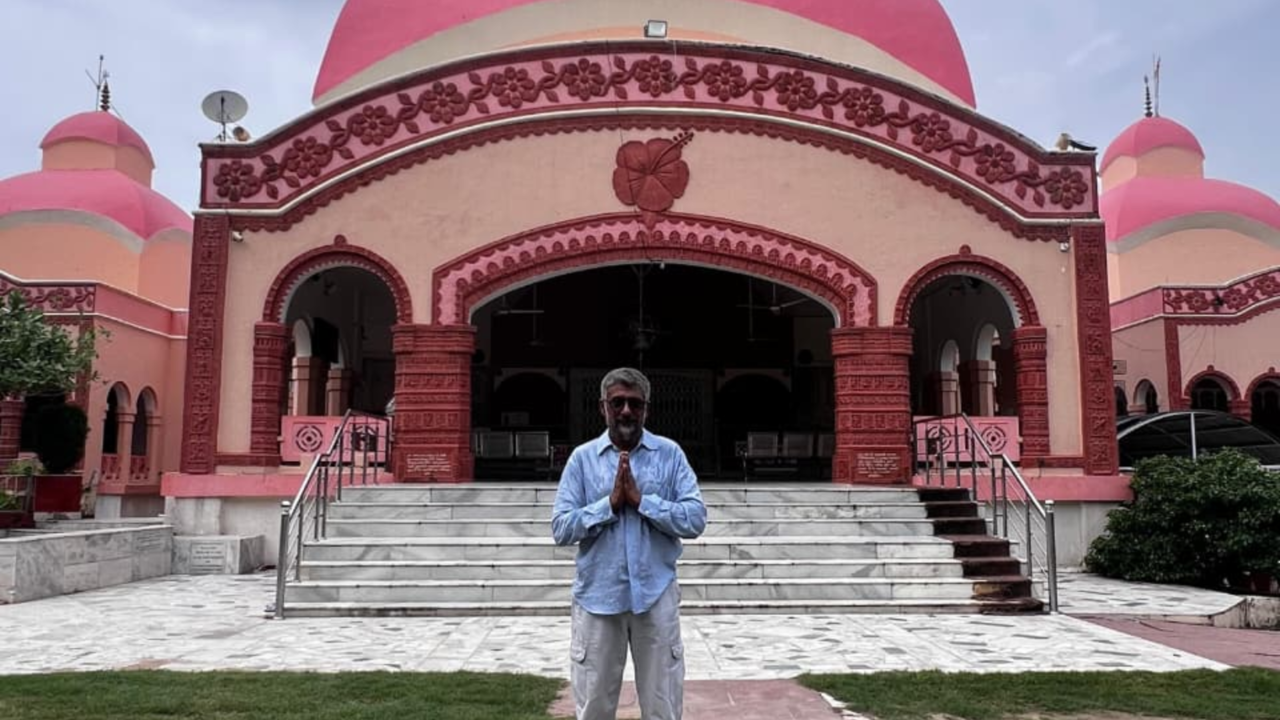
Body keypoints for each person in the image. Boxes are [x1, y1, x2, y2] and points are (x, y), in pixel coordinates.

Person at [552, 367, 707, 720]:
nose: (626, 411)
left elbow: (695, 518)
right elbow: (561, 528)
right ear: (602, 407)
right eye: (617, 402)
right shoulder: (583, 460)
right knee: (594, 705)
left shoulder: (669, 455)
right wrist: (608, 505)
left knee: (662, 704)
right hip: (598, 596)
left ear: (646, 409)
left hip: (655, 595)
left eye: (635, 404)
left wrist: (642, 502)